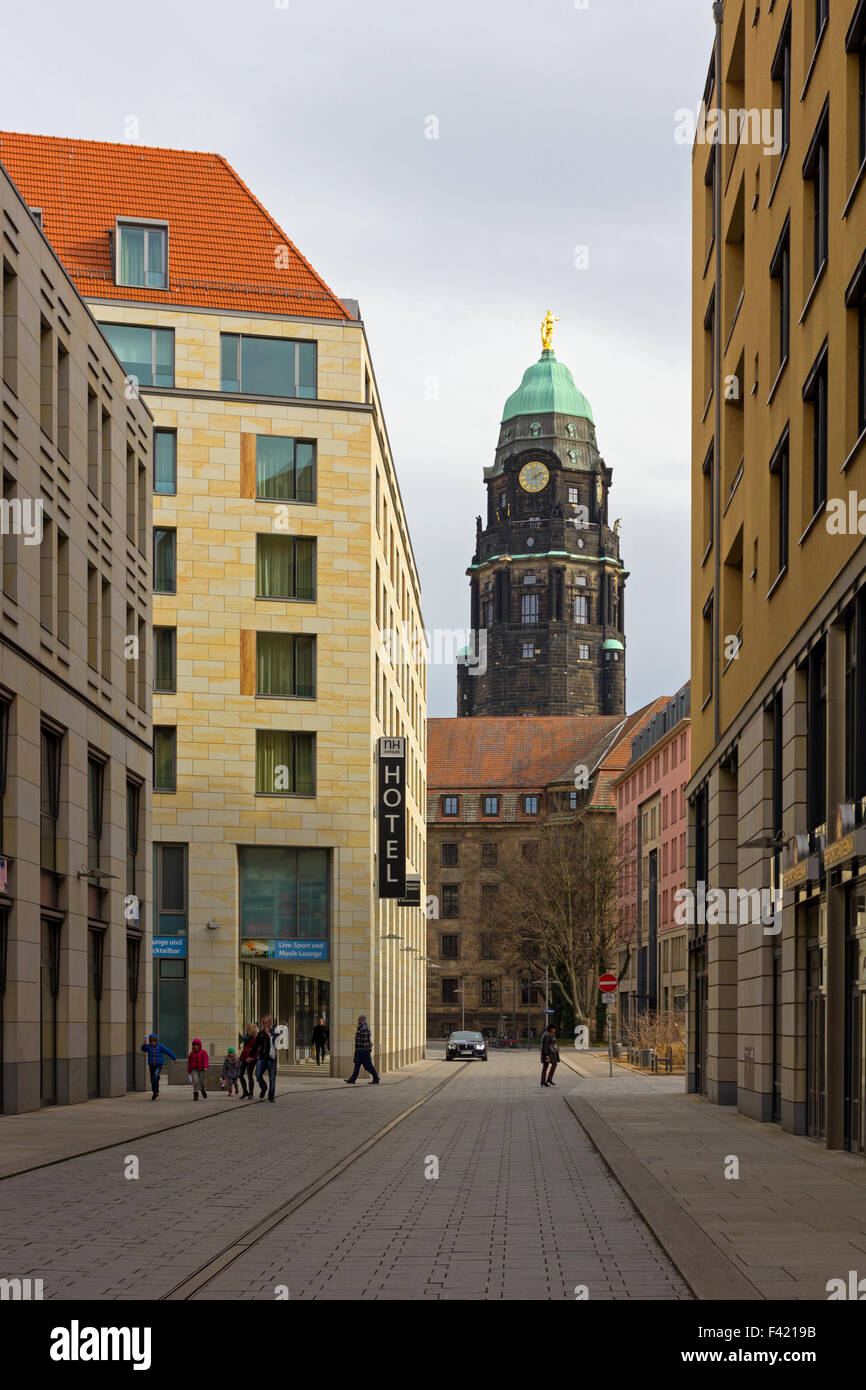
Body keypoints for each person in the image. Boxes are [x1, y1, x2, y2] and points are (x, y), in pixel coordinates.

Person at [344, 1014, 380, 1084]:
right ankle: (352, 1079)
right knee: (357, 1066)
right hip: (359, 1050)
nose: (357, 1020)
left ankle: (376, 1078)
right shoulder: (361, 1027)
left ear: (361, 1020)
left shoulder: (364, 1028)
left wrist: (357, 1038)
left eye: (358, 1019)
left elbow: (365, 1040)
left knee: (368, 1066)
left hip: (364, 1051)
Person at [140, 1034, 177, 1100]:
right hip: (151, 1066)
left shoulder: (160, 1046)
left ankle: (156, 1090)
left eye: (154, 1041)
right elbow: (143, 1049)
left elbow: (168, 1051)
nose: (153, 1043)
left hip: (158, 1066)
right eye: (151, 1041)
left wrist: (174, 1058)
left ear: (156, 1041)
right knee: (152, 1080)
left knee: (155, 1077)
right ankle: (154, 1091)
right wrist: (144, 1044)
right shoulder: (148, 1047)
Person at [254, 1016, 280, 1102]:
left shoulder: (275, 1032)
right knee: (258, 1075)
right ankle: (264, 1088)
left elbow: (277, 1044)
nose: (265, 1024)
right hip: (262, 1058)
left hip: (271, 1059)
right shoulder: (260, 1033)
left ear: (270, 1023)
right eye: (264, 1023)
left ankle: (271, 1097)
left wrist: (269, 1035)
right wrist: (250, 1056)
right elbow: (256, 1046)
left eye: (267, 1022)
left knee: (272, 1079)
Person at [239, 1024, 258, 1098]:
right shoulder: (247, 1037)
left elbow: (256, 1050)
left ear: (253, 1029)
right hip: (244, 1058)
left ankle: (251, 1093)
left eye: (249, 1028)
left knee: (250, 1075)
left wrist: (251, 1058)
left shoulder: (255, 1038)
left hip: (251, 1059)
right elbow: (245, 1049)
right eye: (247, 1028)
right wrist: (240, 1058)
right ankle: (245, 1092)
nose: (247, 1030)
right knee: (240, 1075)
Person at [540, 1023, 559, 1088]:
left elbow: (553, 1043)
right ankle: (543, 1082)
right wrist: (547, 1055)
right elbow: (546, 1046)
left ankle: (548, 1080)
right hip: (548, 1053)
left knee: (554, 1064)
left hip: (551, 1053)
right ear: (550, 1029)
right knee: (546, 1066)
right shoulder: (547, 1035)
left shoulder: (550, 1034)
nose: (555, 1030)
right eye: (554, 1029)